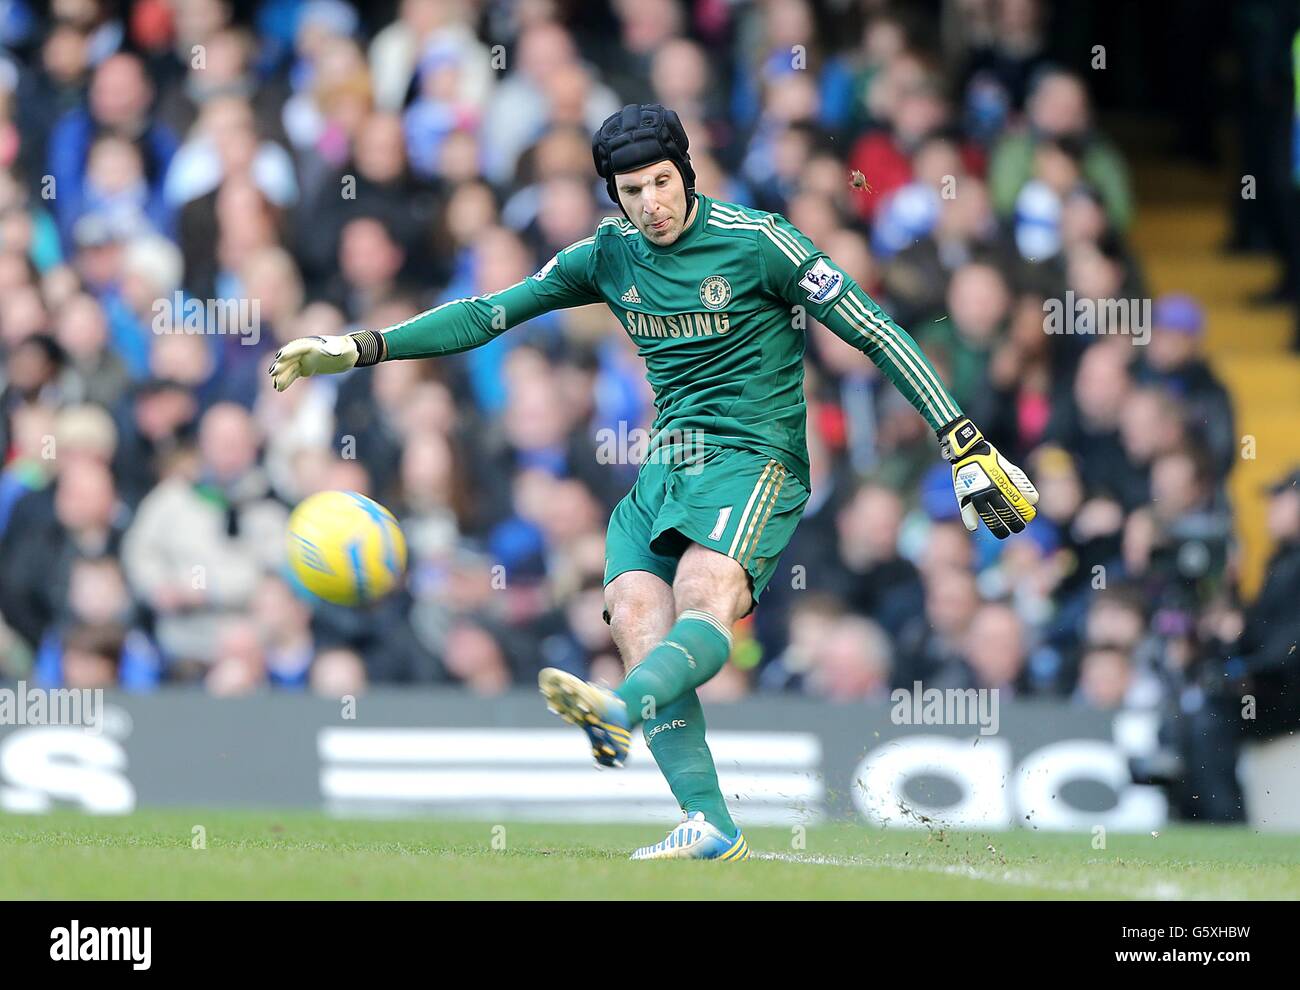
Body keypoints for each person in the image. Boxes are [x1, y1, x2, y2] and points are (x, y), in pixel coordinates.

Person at [268, 104, 1040, 860]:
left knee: (707, 593)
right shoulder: (607, 256)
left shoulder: (760, 242)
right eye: (632, 192)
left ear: (687, 174)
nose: (651, 204)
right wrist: (359, 346)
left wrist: (961, 439)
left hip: (756, 458)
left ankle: (618, 711)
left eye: (662, 183)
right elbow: (486, 315)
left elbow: (874, 329)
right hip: (667, 465)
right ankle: (708, 822)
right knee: (637, 613)